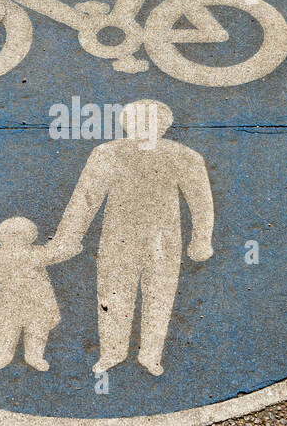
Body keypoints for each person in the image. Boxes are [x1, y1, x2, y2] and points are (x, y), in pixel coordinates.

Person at [53, 100, 213, 377]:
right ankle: (112, 353)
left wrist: (201, 239)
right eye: (137, 121)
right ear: (125, 124)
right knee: (113, 295)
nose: (144, 127)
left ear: (164, 126)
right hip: (117, 237)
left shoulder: (183, 156)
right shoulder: (107, 154)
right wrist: (68, 237)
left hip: (164, 240)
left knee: (159, 297)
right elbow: (85, 199)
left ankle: (151, 355)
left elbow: (200, 201)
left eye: (151, 122)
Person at [0, 217, 76, 371]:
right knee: (6, 331)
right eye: (11, 234)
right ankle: (4, 356)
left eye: (21, 234)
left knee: (37, 330)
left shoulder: (36, 252)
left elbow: (55, 253)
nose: (16, 238)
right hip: (9, 303)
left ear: (30, 236)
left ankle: (34, 356)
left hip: (37, 302)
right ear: (2, 236)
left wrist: (70, 246)